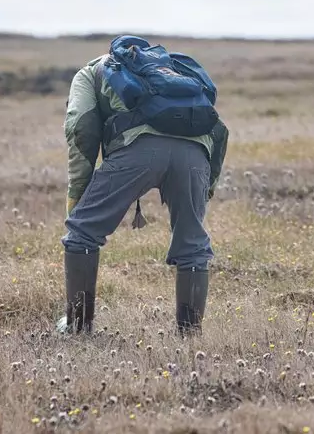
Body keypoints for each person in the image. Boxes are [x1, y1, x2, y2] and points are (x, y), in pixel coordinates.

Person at [58, 35, 229, 337]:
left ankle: (77, 328)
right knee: (193, 244)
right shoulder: (176, 72)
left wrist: (78, 195)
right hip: (196, 156)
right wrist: (207, 186)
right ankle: (189, 337)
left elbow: (81, 127)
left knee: (82, 232)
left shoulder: (91, 72)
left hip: (138, 152)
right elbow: (219, 130)